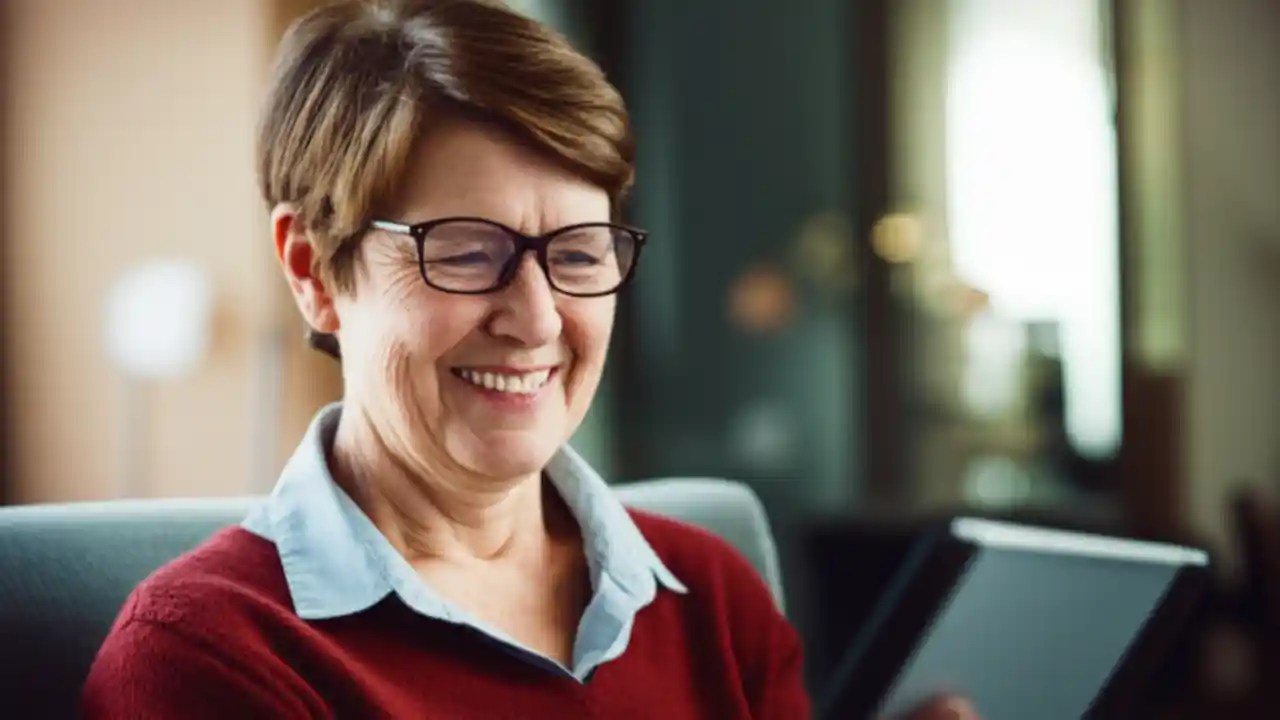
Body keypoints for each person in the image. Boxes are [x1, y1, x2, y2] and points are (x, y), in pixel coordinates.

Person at [82, 1, 978, 717]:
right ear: (315, 270)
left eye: (581, 253)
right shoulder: (205, 658)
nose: (537, 317)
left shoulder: (713, 597)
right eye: (468, 250)